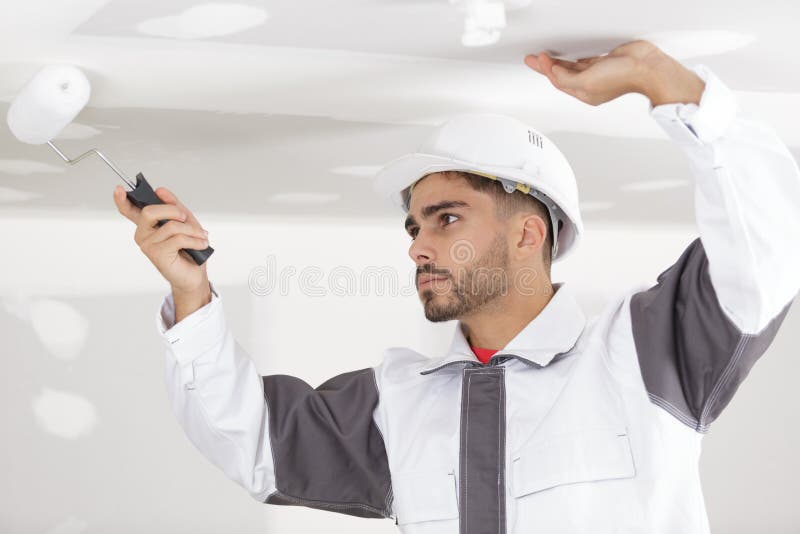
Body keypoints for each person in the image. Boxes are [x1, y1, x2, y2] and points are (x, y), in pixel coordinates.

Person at [113, 39, 800, 533]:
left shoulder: (643, 355)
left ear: (529, 235)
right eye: (414, 226)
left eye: (446, 219)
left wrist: (666, 83)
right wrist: (192, 295)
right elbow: (255, 444)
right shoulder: (399, 402)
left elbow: (769, 251)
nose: (418, 245)